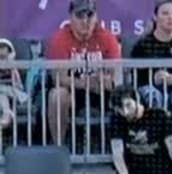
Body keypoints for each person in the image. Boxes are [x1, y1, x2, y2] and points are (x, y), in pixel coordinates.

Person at [45, 0, 122, 146]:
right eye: (80, 16)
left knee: (123, 96)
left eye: (90, 15)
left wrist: (104, 80)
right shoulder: (59, 39)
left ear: (96, 17)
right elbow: (58, 78)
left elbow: (114, 77)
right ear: (71, 17)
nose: (85, 21)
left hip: (100, 91)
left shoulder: (107, 37)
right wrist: (86, 83)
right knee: (57, 95)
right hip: (73, 91)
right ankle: (59, 146)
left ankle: (122, 148)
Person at [131, 0, 172, 143]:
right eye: (165, 13)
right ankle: (157, 142)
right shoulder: (143, 44)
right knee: (155, 96)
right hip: (150, 87)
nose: (170, 18)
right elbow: (135, 76)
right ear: (155, 17)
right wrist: (153, 79)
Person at [107, 85, 172, 174]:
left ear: (136, 100)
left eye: (128, 105)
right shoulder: (116, 120)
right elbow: (117, 153)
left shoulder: (160, 116)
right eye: (120, 109)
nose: (125, 112)